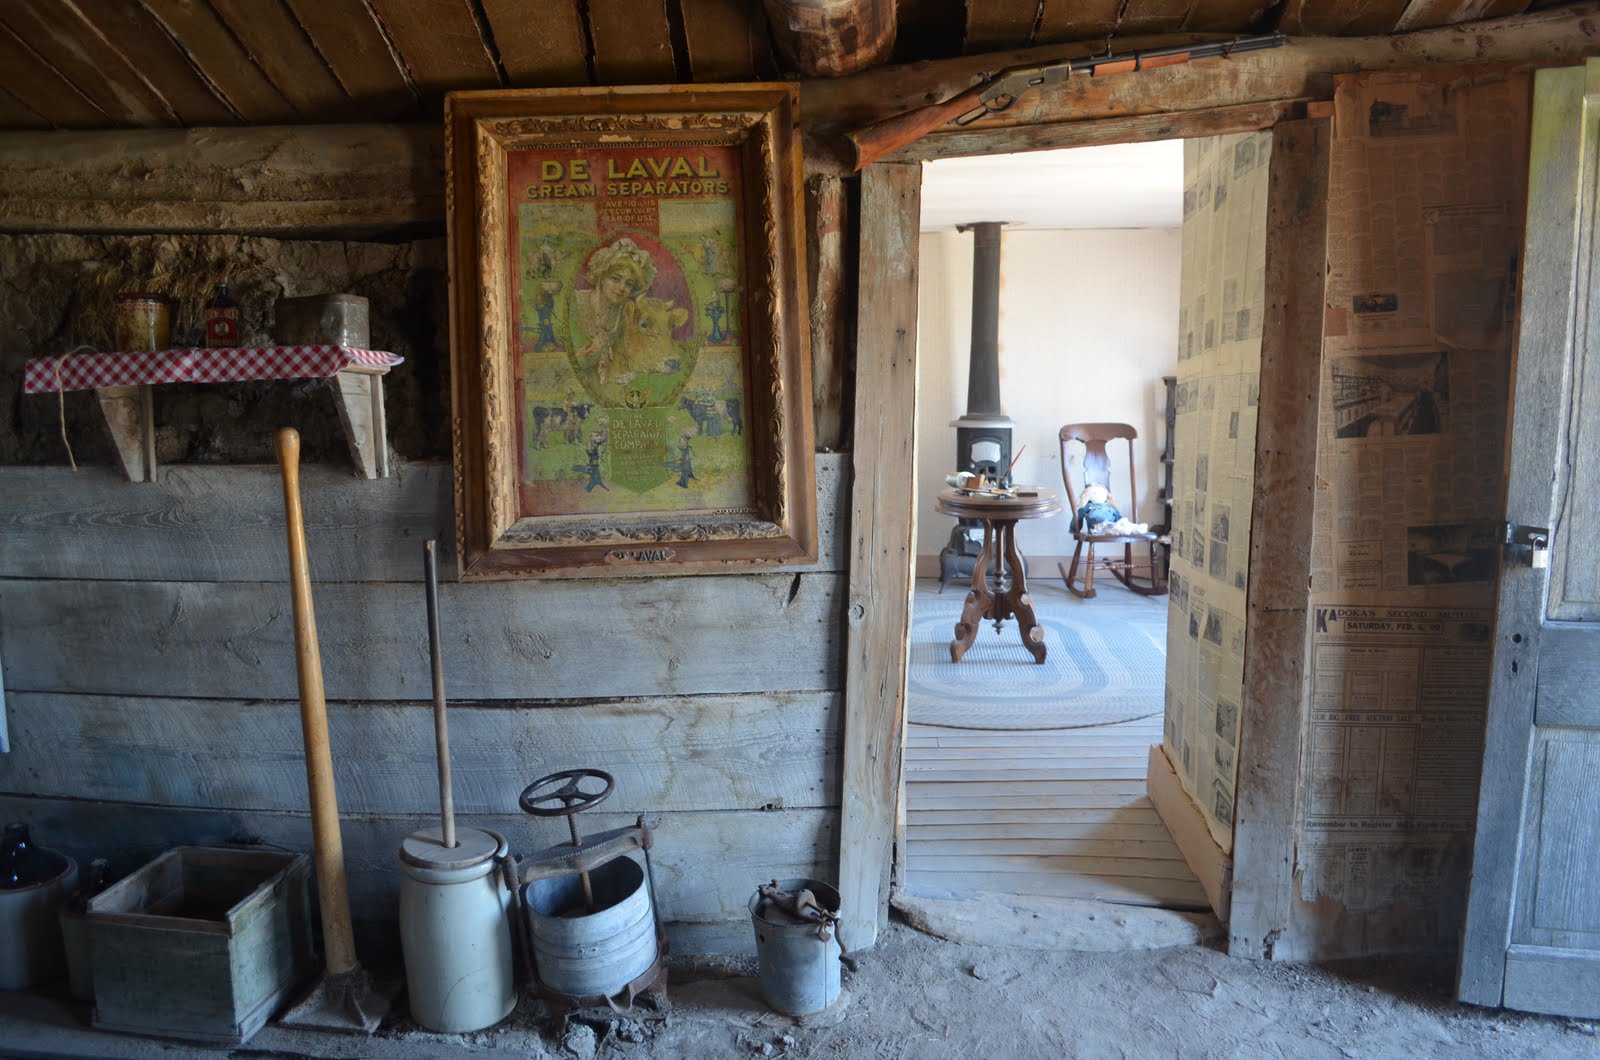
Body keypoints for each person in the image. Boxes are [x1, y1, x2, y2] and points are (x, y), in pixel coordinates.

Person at [573, 238, 655, 385]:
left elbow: (629, 354)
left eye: (629, 284)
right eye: (615, 279)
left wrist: (629, 374)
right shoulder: (576, 303)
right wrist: (586, 352)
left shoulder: (624, 313)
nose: (622, 288)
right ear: (601, 276)